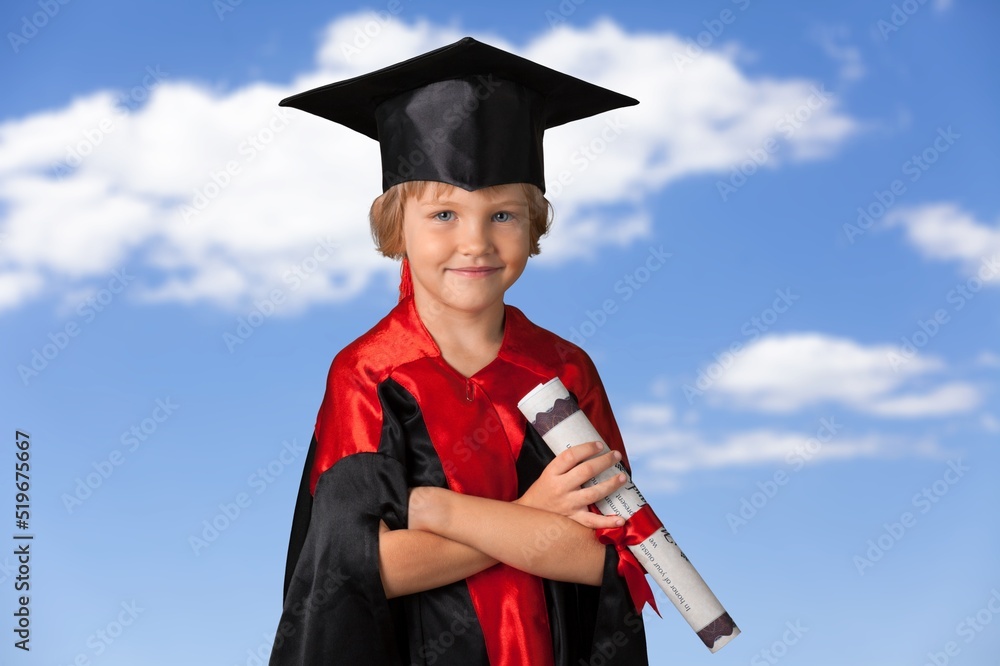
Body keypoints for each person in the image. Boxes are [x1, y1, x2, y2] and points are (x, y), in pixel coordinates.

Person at [268, 37, 651, 665]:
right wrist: (529, 517)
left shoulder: (564, 371)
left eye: (503, 216)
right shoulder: (369, 373)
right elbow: (361, 572)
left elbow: (610, 558)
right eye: (443, 215)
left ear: (534, 226)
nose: (475, 242)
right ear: (395, 229)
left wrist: (435, 510)